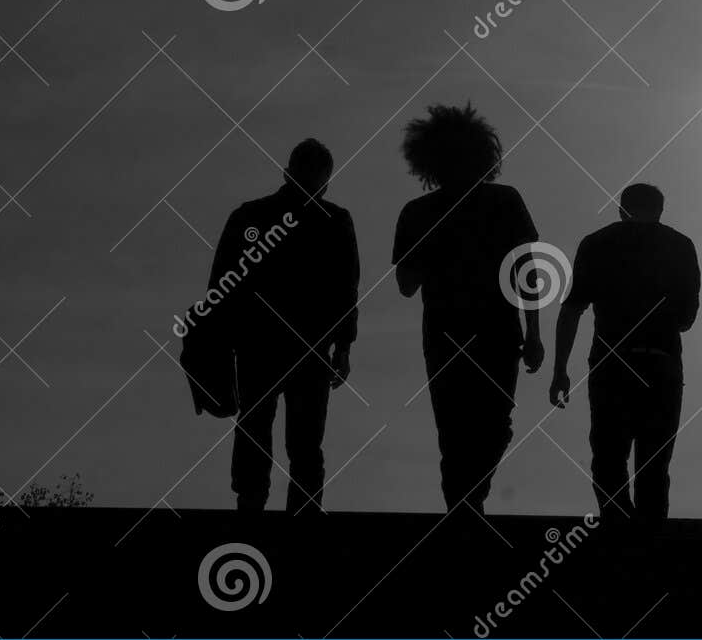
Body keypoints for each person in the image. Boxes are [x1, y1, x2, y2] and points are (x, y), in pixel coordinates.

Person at [392, 104, 543, 514]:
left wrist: (534, 332)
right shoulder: (420, 213)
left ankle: (465, 505)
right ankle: (465, 508)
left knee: (487, 427)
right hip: (456, 333)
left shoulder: (503, 202)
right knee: (462, 431)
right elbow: (407, 284)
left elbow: (527, 269)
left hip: (485, 332)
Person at [213, 138, 360, 514]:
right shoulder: (335, 221)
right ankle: (301, 522)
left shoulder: (249, 216)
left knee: (256, 427)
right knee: (305, 443)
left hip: (257, 344)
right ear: (326, 183)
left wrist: (220, 343)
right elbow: (346, 287)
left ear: (287, 171)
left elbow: (222, 286)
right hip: (309, 347)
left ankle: (250, 509)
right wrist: (343, 345)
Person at [551, 183, 700, 525]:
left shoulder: (597, 243)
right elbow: (687, 319)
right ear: (660, 211)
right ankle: (648, 546)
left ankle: (618, 536)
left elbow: (572, 310)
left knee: (608, 458)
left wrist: (560, 369)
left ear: (621, 209)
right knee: (654, 463)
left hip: (611, 363)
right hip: (661, 362)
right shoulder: (680, 246)